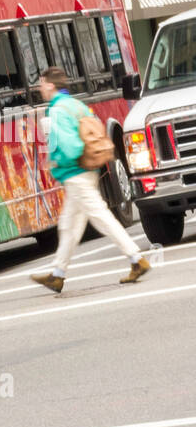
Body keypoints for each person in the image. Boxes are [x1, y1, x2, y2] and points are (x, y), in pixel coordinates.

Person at [31, 67, 149, 293]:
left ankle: (136, 258)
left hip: (75, 173)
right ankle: (57, 273)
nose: (39, 88)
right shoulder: (76, 105)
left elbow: (70, 146)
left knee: (99, 216)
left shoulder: (57, 111)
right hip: (88, 170)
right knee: (70, 224)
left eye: (41, 83)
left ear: (50, 85)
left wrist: (55, 164)